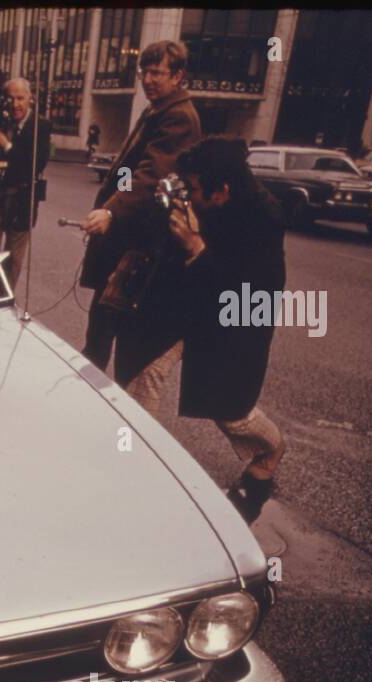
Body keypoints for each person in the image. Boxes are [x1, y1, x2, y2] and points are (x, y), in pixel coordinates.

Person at [154, 136, 287, 524]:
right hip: (198, 312)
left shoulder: (264, 221)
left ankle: (271, 451)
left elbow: (239, 294)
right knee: (151, 370)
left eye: (194, 190)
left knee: (231, 411)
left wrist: (196, 246)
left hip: (240, 322)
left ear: (222, 191)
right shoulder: (219, 199)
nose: (191, 197)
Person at [79, 40, 201, 380]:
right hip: (126, 244)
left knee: (119, 340)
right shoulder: (156, 109)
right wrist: (108, 199)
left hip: (140, 249)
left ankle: (114, 412)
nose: (148, 79)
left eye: (156, 72)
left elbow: (151, 175)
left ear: (177, 76)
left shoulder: (178, 116)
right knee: (101, 333)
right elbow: (127, 170)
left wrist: (113, 212)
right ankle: (95, 402)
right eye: (144, 71)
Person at [0, 77, 52, 291]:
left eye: (20, 98)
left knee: (13, 262)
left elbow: (33, 165)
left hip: (21, 205)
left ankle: (4, 300)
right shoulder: (0, 121)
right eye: (11, 98)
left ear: (30, 99)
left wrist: (7, 146)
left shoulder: (41, 126)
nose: (15, 104)